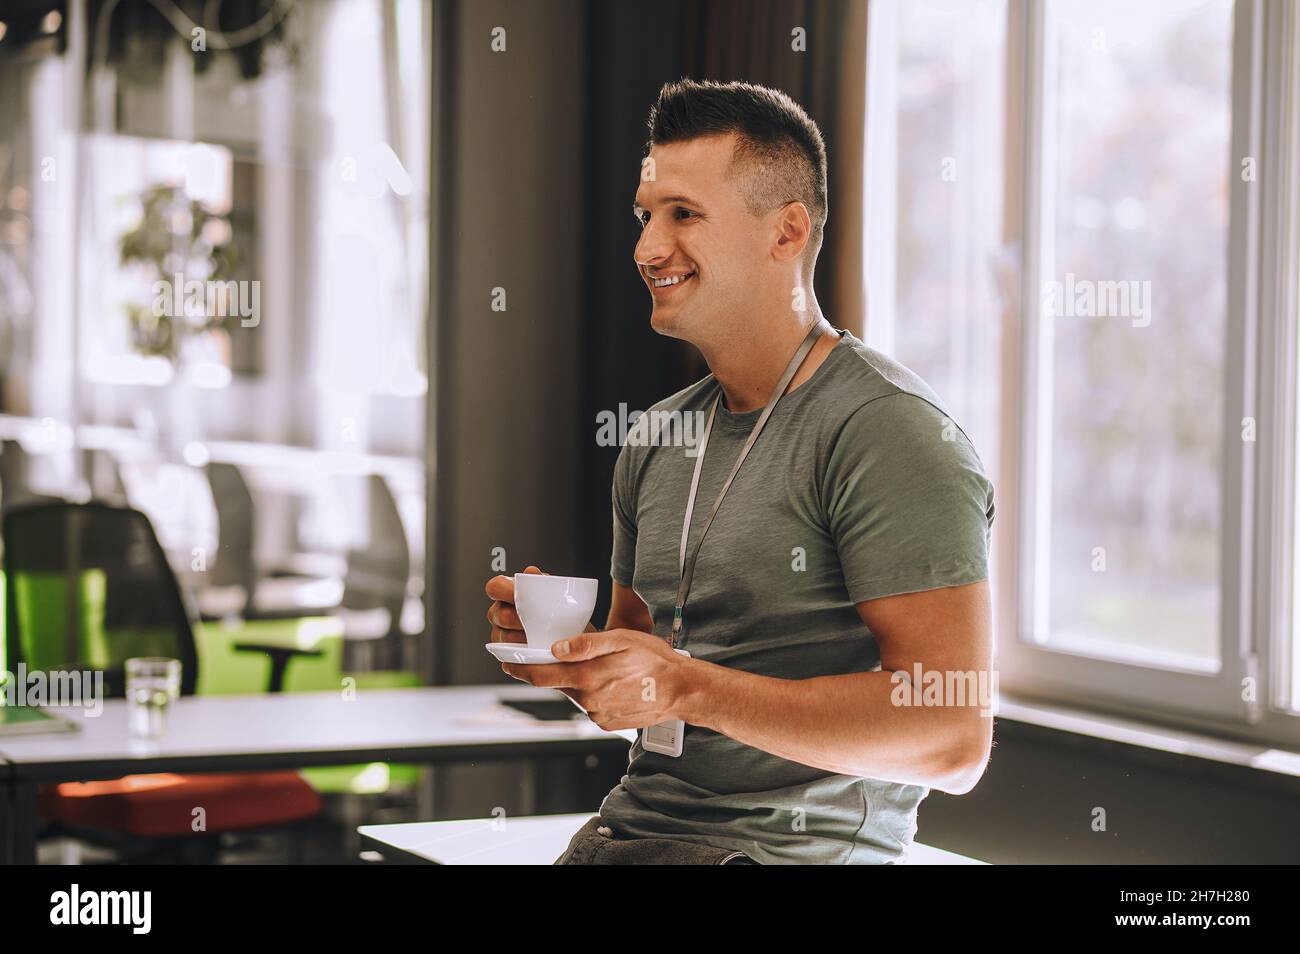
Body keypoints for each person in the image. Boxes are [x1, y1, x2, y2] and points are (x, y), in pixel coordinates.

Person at [485, 79, 995, 864]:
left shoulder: (887, 432)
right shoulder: (656, 436)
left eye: (683, 214)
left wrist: (689, 686)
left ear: (786, 232)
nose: (647, 248)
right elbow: (648, 670)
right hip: (627, 839)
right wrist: (576, 657)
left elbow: (952, 737)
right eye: (645, 216)